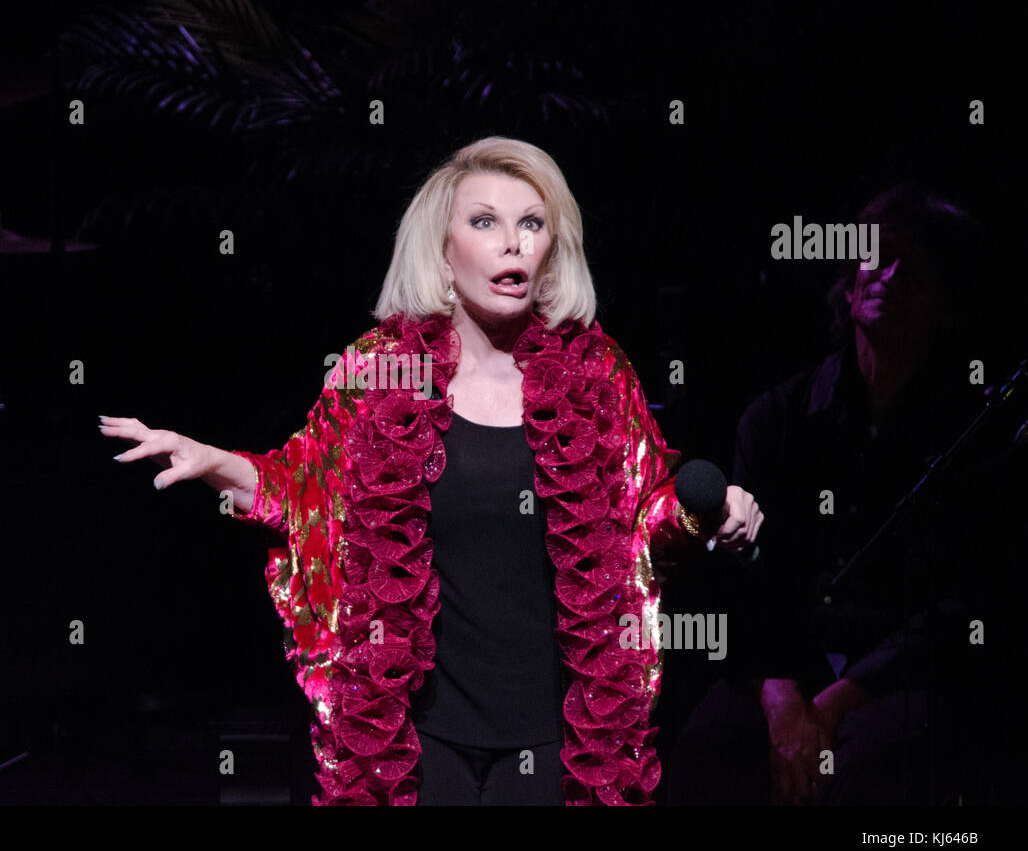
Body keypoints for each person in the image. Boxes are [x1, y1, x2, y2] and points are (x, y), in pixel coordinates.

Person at [102, 136, 762, 805]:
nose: (513, 243)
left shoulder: (597, 372)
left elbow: (641, 520)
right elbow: (306, 491)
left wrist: (707, 514)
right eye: (485, 222)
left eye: (532, 223)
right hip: (418, 736)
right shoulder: (378, 368)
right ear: (442, 252)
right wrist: (218, 464)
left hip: (557, 736)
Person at [668, 183, 1020, 805]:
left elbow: (961, 605)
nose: (890, 274)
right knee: (702, 752)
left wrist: (835, 703)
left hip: (899, 681)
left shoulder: (971, 432)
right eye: (877, 256)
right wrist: (780, 696)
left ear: (947, 301)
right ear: (850, 283)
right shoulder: (776, 417)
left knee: (867, 774)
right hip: (784, 665)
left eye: (917, 266)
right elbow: (745, 581)